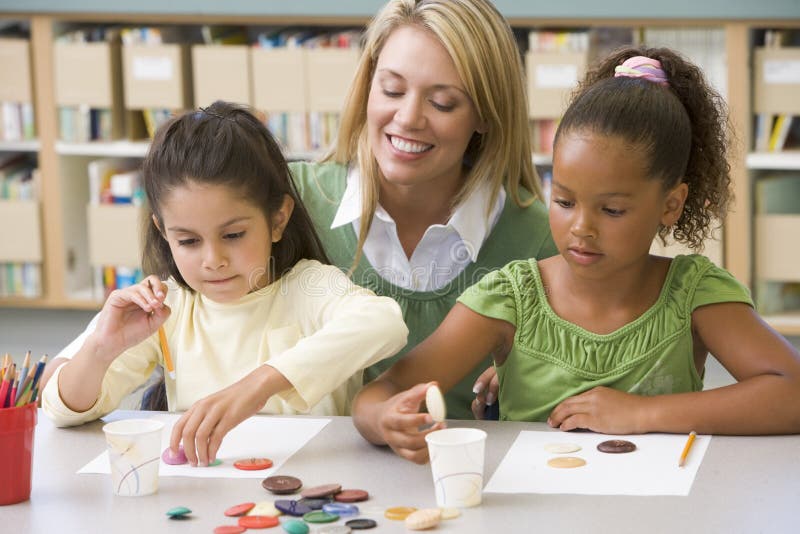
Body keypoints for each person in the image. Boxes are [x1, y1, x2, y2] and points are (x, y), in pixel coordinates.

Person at [351, 47, 800, 463]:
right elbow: (383, 391)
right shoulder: (512, 297)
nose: (581, 228)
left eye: (612, 209)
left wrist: (642, 414)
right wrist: (384, 420)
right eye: (564, 202)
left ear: (671, 204)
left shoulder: (693, 293)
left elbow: (792, 393)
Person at [41, 101, 408, 467]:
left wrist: (256, 386)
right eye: (188, 241)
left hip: (308, 490)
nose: (212, 259)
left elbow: (385, 324)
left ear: (278, 219)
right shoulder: (166, 304)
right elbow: (59, 407)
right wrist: (101, 350)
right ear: (163, 232)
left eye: (233, 234)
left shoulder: (309, 288)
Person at [290, 0, 557, 419]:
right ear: (367, 86)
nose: (408, 117)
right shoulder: (292, 204)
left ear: (485, 115)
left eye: (444, 103)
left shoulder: (539, 240)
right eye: (392, 90)